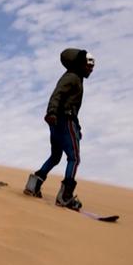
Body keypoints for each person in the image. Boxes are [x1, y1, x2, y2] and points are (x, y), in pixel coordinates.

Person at [23, 48, 95, 211]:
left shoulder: (74, 77)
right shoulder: (72, 77)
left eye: (92, 65)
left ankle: (33, 186)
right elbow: (57, 94)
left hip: (60, 121)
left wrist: (77, 126)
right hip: (64, 120)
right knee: (74, 158)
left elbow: (68, 102)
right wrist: (51, 112)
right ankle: (65, 197)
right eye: (89, 64)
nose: (91, 68)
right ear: (80, 63)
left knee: (55, 156)